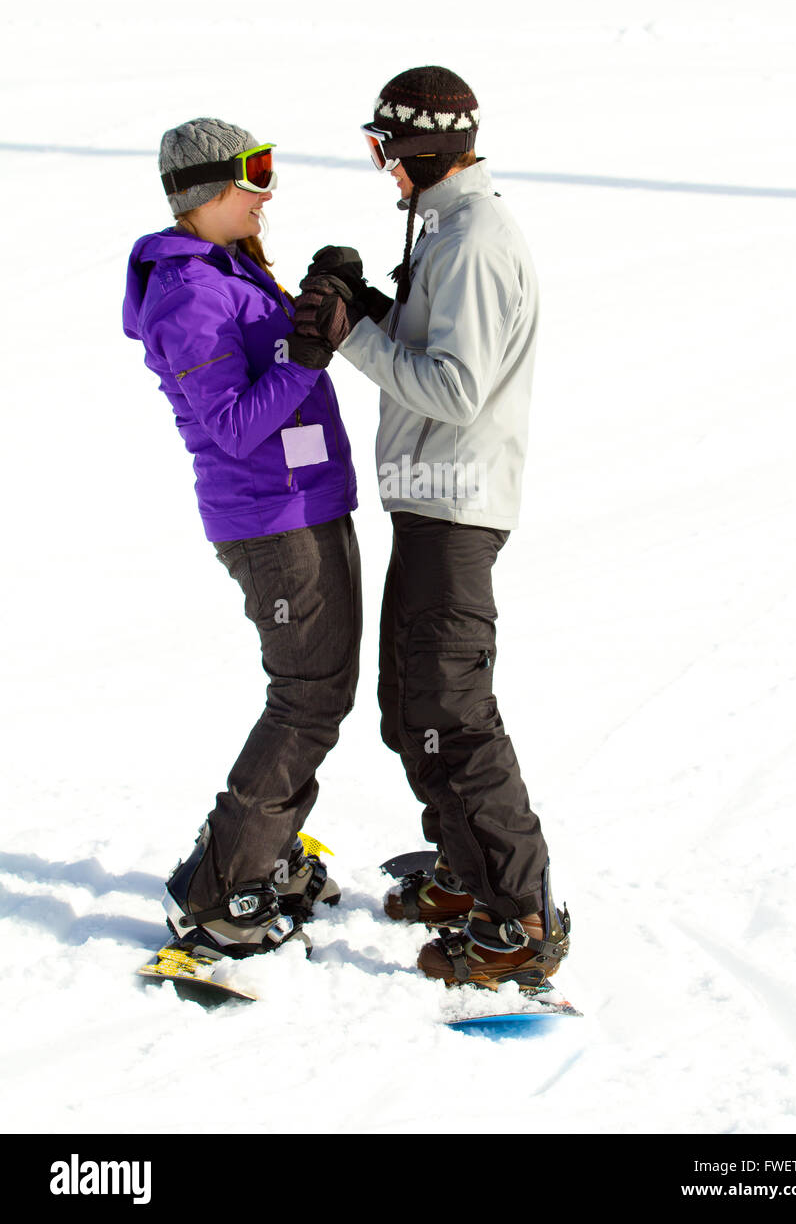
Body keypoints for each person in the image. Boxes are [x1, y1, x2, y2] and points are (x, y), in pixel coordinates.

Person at [293, 67, 569, 989]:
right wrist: (367, 306)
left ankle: (520, 916)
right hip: (426, 500)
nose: (381, 168)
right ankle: (463, 870)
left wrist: (351, 336)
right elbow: (428, 349)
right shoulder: (447, 229)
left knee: (454, 711)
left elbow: (455, 387)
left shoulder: (478, 241)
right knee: (411, 708)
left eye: (383, 148)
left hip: (457, 505)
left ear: (419, 147)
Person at [122, 118, 362, 960]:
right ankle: (221, 894)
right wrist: (305, 354)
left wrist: (315, 304)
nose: (267, 189)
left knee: (321, 690)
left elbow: (268, 368)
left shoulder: (227, 268)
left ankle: (266, 855)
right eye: (253, 175)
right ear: (204, 191)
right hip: (270, 518)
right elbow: (232, 427)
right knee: (306, 696)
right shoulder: (188, 292)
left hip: (304, 500)